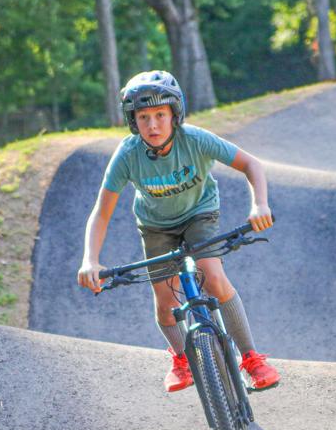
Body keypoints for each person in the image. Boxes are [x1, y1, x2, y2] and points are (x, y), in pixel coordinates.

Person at [77, 70, 280, 393]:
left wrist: (260, 205)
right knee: (163, 300)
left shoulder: (195, 139)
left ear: (175, 114)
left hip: (199, 213)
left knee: (212, 274)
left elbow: (251, 165)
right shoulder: (128, 155)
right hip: (156, 225)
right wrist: (91, 260)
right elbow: (101, 213)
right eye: (143, 117)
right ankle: (183, 359)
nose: (153, 125)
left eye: (160, 115)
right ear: (133, 121)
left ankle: (252, 359)